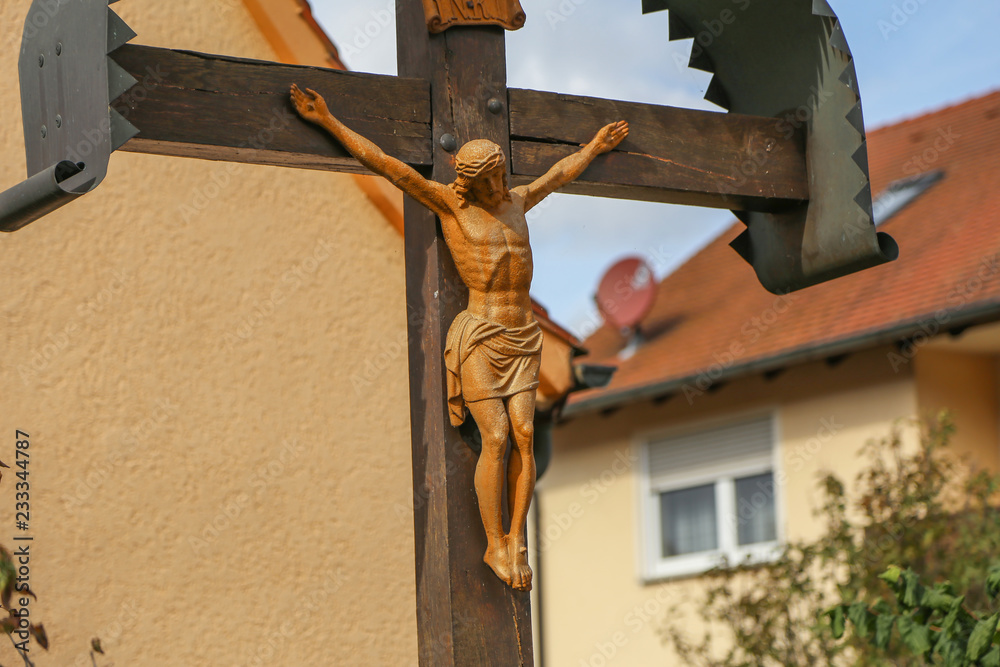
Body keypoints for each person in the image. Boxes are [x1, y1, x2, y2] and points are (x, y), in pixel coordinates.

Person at [290, 83, 628, 591]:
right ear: (471, 179)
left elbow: (558, 175)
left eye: (501, 175)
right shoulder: (451, 206)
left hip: (523, 335)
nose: (500, 185)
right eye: (491, 179)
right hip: (480, 336)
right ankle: (494, 543)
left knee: (526, 436)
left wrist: (594, 148)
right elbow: (388, 165)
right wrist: (328, 120)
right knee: (495, 438)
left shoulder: (516, 201)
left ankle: (517, 537)